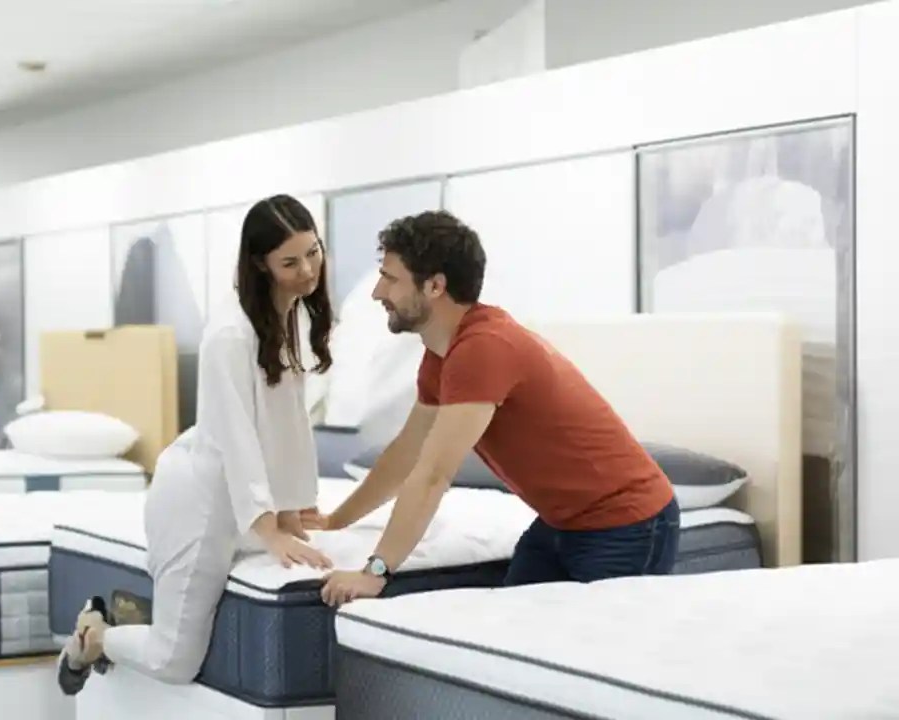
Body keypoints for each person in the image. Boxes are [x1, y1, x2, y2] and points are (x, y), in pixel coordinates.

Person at [318, 210, 680, 606]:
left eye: (390, 279)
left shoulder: (483, 348)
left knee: (578, 655)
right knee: (509, 633)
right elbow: (407, 453)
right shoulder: (442, 354)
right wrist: (336, 521)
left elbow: (433, 474)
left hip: (628, 525)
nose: (377, 293)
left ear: (435, 285)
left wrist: (376, 573)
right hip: (562, 523)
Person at [59, 194, 336, 692]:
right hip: (200, 501)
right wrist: (269, 530)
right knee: (174, 659)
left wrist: (295, 508)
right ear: (260, 264)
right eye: (290, 262)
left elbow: (288, 421)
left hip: (241, 499)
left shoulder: (292, 315)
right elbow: (238, 440)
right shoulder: (229, 335)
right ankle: (94, 636)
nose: (308, 270)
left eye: (313, 253)